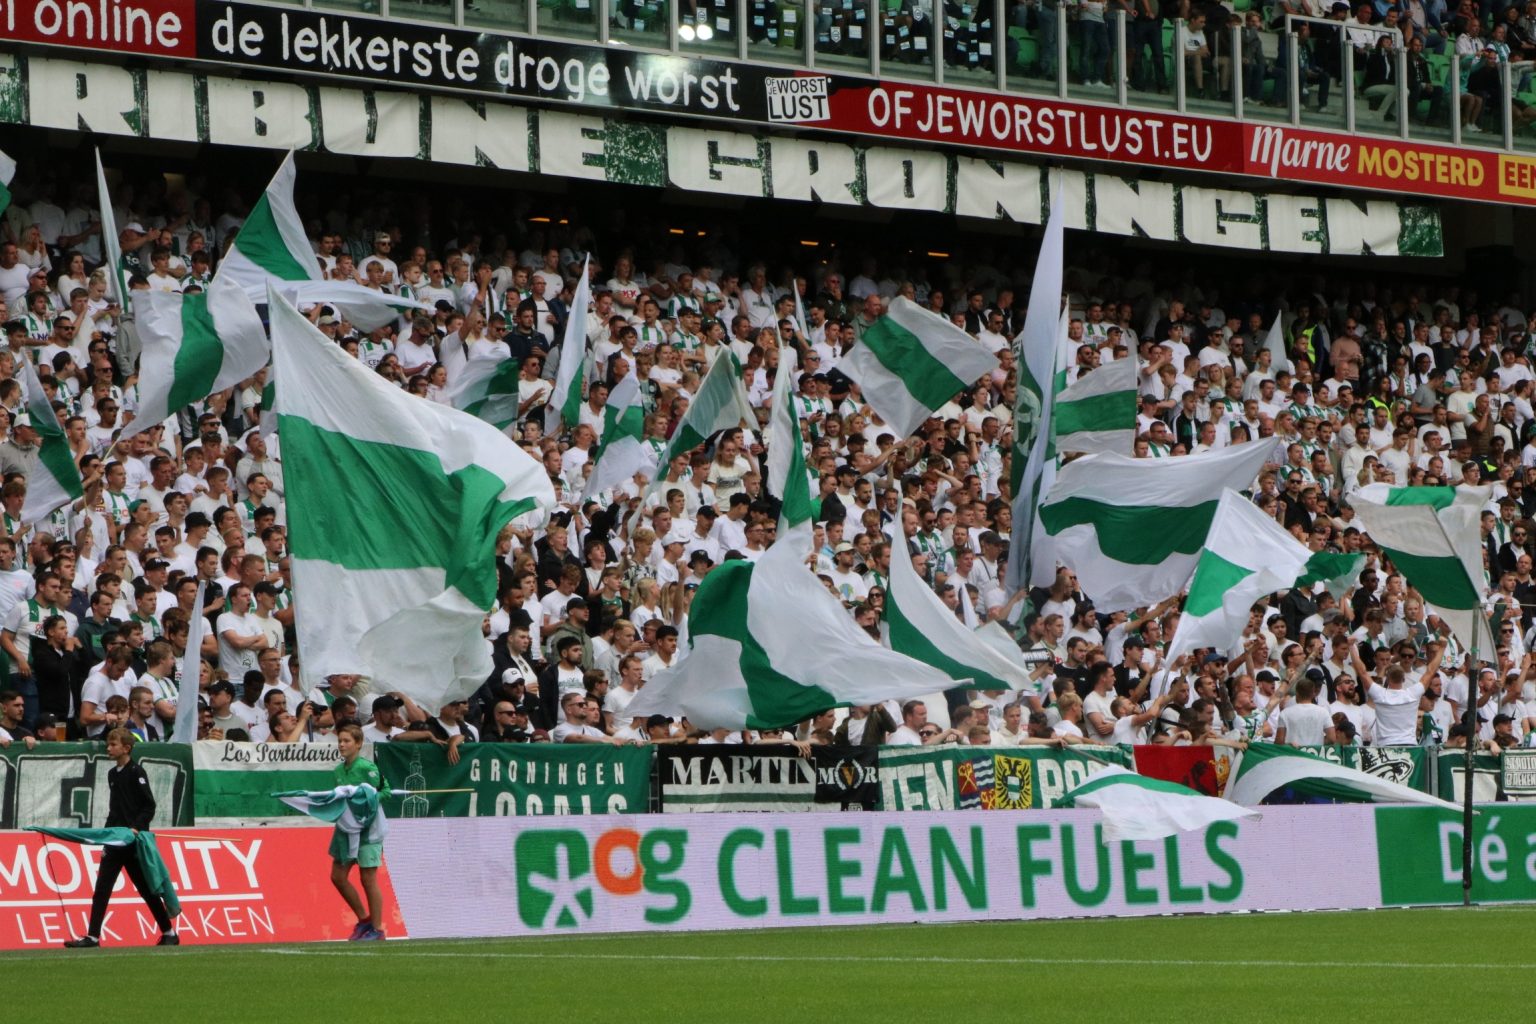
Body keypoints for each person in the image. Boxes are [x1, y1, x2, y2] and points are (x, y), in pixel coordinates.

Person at [62, 729, 179, 947]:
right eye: (108, 744)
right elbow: (115, 809)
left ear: (126, 748)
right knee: (102, 889)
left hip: (132, 843)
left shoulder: (137, 772)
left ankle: (169, 932)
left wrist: (135, 828)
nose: (109, 748)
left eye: (113, 745)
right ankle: (93, 936)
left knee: (146, 889)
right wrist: (107, 836)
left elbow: (149, 806)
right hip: (115, 841)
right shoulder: (112, 774)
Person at [330, 723, 389, 941]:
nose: (342, 745)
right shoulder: (338, 771)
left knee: (368, 878)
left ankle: (376, 928)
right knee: (337, 876)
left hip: (368, 829)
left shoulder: (367, 768)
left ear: (358, 744)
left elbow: (386, 791)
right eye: (340, 741)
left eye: (346, 741)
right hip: (346, 829)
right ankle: (364, 919)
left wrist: (367, 801)